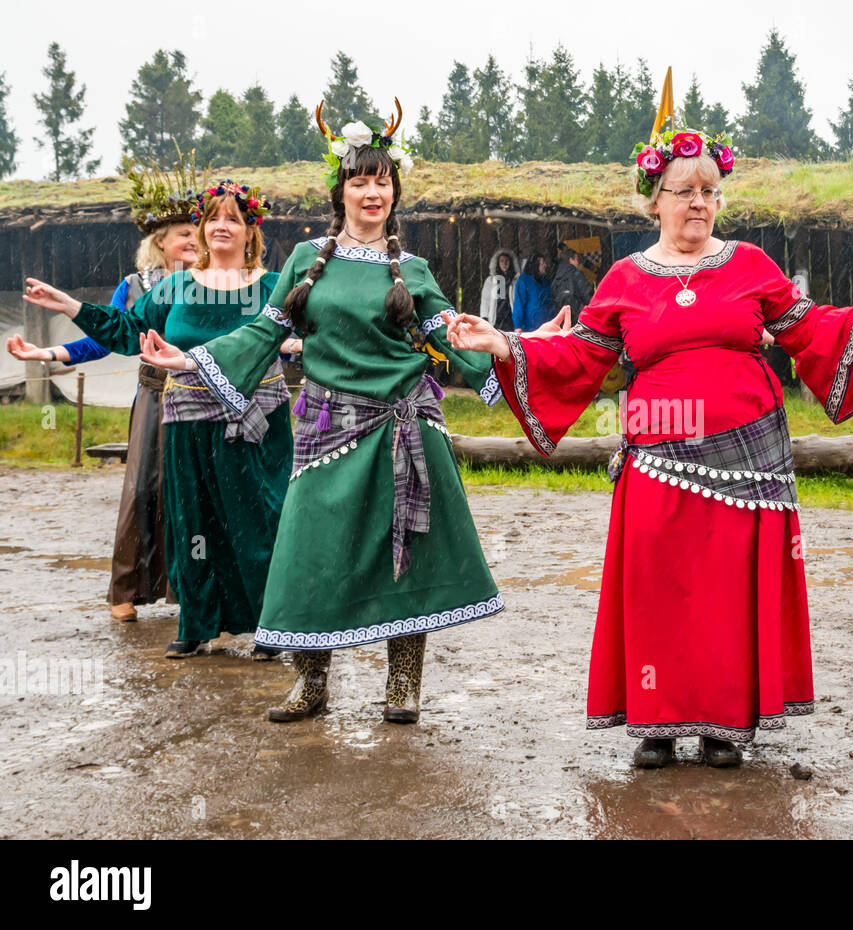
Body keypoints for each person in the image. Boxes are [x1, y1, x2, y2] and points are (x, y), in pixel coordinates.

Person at [447, 120, 853, 768]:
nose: (700, 203)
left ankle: (722, 723)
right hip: (657, 459)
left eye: (710, 190)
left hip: (749, 459)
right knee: (659, 589)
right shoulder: (625, 279)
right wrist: (505, 343)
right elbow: (583, 354)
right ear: (654, 199)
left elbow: (812, 326)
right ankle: (656, 723)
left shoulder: (750, 266)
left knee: (725, 597)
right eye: (685, 191)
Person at [139, 102, 504, 724]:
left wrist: (518, 347)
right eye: (359, 181)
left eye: (383, 181)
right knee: (310, 553)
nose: (372, 192)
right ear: (340, 191)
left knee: (403, 555)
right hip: (328, 426)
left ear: (395, 192)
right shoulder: (310, 260)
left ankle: (402, 686)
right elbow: (264, 331)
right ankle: (312, 683)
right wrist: (192, 361)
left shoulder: (412, 270)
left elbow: (452, 332)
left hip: (403, 426)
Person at [24, 179, 293, 661]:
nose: (220, 227)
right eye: (212, 218)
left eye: (233, 218)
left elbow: (316, 330)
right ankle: (196, 623)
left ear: (252, 230)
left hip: (257, 423)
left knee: (258, 523)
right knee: (193, 524)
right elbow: (127, 332)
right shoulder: (176, 286)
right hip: (187, 421)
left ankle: (268, 625)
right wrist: (69, 306)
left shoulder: (274, 288)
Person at [6, 160, 199, 622]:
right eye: (182, 235)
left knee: (196, 494)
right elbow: (100, 341)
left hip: (206, 395)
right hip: (155, 397)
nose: (193, 241)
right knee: (144, 492)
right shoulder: (135, 288)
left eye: (198, 233)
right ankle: (127, 589)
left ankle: (193, 592)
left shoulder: (220, 285)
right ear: (160, 245)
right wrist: (45, 354)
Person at [479, 248, 519, 331]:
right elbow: (485, 300)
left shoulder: (516, 280)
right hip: (496, 319)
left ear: (511, 262)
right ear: (497, 263)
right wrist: (484, 317)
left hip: (511, 319)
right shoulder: (491, 281)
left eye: (507, 261)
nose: (504, 263)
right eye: (501, 261)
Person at [512, 254, 552, 332]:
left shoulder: (546, 281)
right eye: (542, 263)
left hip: (546, 327)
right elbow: (518, 304)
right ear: (535, 265)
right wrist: (518, 325)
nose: (545, 265)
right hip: (529, 327)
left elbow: (550, 304)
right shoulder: (524, 281)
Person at [550, 247, 594, 317]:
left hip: (563, 319)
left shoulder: (556, 278)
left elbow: (553, 298)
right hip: (579, 318)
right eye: (577, 260)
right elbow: (587, 295)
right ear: (571, 260)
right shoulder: (576, 274)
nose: (578, 263)